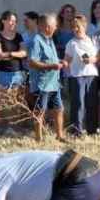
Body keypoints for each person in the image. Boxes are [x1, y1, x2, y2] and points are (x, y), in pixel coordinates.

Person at [28, 13, 67, 142]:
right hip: (42, 83)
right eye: (55, 25)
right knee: (40, 111)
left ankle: (60, 135)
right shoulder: (36, 40)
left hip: (54, 82)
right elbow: (32, 62)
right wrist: (52, 66)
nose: (56, 28)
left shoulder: (50, 40)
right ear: (47, 27)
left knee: (59, 108)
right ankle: (38, 138)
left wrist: (60, 61)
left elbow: (50, 59)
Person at [0, 11, 28, 137]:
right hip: (3, 73)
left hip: (18, 73)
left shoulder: (19, 36)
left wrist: (9, 54)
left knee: (16, 102)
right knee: (1, 102)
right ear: (3, 21)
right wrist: (15, 54)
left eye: (15, 21)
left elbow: (24, 53)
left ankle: (12, 127)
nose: (13, 23)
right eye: (11, 20)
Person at [64, 14, 100, 136]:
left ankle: (92, 130)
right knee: (78, 103)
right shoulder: (71, 43)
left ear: (84, 27)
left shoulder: (92, 40)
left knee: (92, 102)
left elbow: (97, 57)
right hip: (77, 76)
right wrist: (64, 63)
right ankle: (77, 130)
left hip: (91, 74)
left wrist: (91, 60)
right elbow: (67, 58)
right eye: (73, 27)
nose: (75, 29)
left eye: (78, 26)